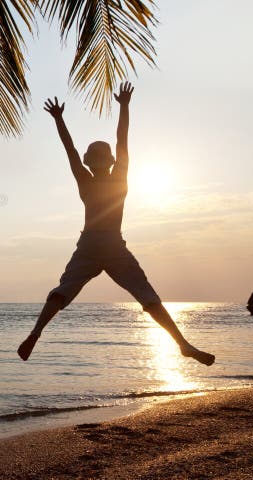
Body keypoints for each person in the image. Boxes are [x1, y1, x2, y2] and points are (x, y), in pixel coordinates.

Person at [17, 82, 215, 366]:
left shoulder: (85, 180)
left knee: (62, 291)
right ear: (110, 161)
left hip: (89, 244)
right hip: (112, 243)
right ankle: (182, 344)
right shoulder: (119, 176)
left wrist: (59, 119)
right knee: (147, 295)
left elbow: (70, 150)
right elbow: (122, 139)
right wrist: (123, 106)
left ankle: (36, 332)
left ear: (89, 162)